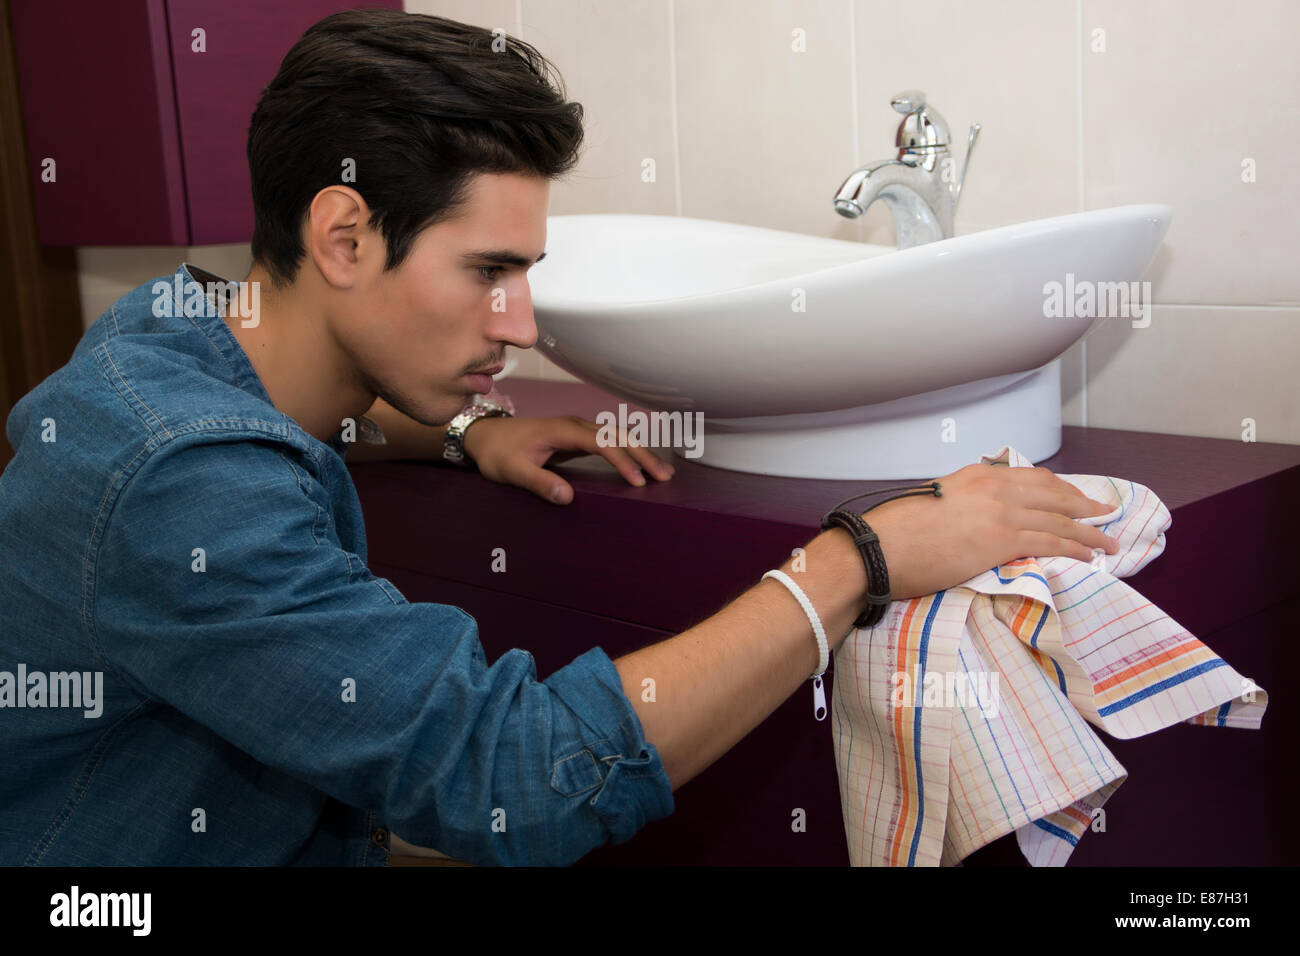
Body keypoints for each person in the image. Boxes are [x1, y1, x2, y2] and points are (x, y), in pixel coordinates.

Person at [0, 9, 1117, 866]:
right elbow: (513, 777)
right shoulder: (178, 486)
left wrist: (462, 431)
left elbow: (269, 411)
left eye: (526, 273)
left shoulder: (178, 327)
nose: (521, 324)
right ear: (343, 234)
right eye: (487, 270)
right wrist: (856, 558)